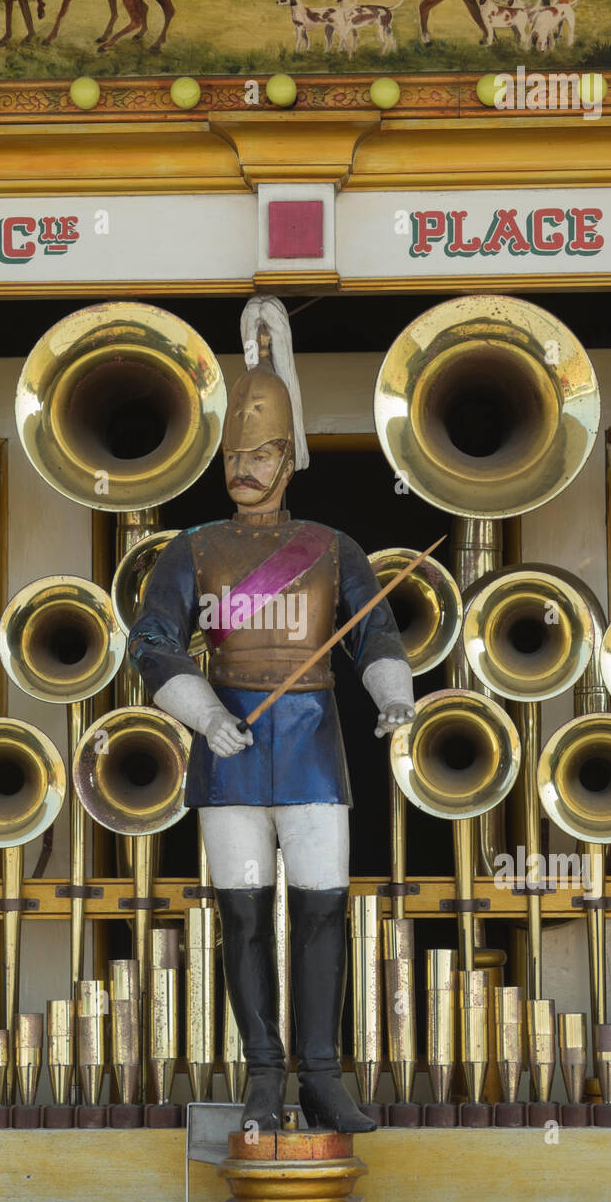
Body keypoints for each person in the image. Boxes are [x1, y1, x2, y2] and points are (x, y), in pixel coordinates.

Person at [129, 296, 415, 1132]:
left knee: (323, 908)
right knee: (244, 914)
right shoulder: (192, 548)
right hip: (230, 747)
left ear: (287, 458)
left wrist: (393, 694)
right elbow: (152, 643)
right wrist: (202, 711)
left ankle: (321, 1073)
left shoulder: (333, 547)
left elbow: (377, 637)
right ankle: (262, 1071)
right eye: (235, 454)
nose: (244, 468)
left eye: (260, 454)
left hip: (314, 743)